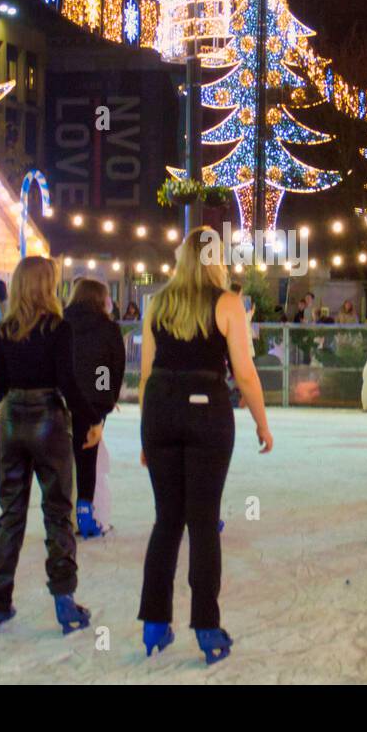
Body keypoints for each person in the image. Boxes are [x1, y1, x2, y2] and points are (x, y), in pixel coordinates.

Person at [138, 228, 272, 665]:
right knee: (202, 521)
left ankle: (155, 623)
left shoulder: (157, 304)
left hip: (160, 411)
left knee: (167, 521)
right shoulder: (227, 303)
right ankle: (207, 627)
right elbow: (245, 373)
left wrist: (146, 434)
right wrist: (261, 422)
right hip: (206, 413)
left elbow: (144, 375)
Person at [0, 256, 101, 634]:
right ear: (47, 285)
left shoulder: (4, 330)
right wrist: (90, 419)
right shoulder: (57, 328)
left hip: (12, 420)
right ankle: (64, 601)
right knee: (57, 511)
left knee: (11, 515)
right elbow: (68, 380)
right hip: (49, 421)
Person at [64, 278, 126, 538]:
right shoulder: (108, 328)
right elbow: (114, 365)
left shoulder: (61, 323)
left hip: (65, 397)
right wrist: (108, 397)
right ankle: (85, 513)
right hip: (95, 400)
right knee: (88, 455)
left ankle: (60, 515)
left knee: (62, 457)